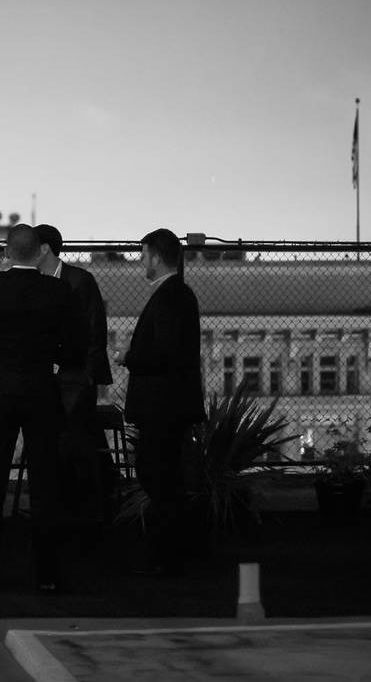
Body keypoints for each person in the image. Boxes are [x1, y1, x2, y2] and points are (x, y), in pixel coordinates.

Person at [0, 224, 84, 594]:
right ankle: (46, 574)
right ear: (38, 252)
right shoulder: (58, 290)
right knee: (44, 482)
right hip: (41, 388)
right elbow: (76, 345)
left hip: (4, 388)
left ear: (7, 251)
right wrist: (51, 360)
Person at [121, 229, 205, 575]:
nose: (141, 261)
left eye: (144, 254)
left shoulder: (170, 297)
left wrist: (129, 357)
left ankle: (169, 554)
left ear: (156, 256)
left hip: (162, 406)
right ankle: (172, 552)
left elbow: (165, 352)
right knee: (163, 476)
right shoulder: (177, 295)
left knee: (160, 476)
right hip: (169, 405)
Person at [34, 224, 115, 524]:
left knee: (74, 443)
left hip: (75, 377)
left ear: (45, 249)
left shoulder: (80, 280)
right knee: (59, 443)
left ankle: (84, 512)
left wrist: (88, 376)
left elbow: (96, 330)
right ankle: (72, 509)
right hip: (48, 377)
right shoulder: (40, 282)